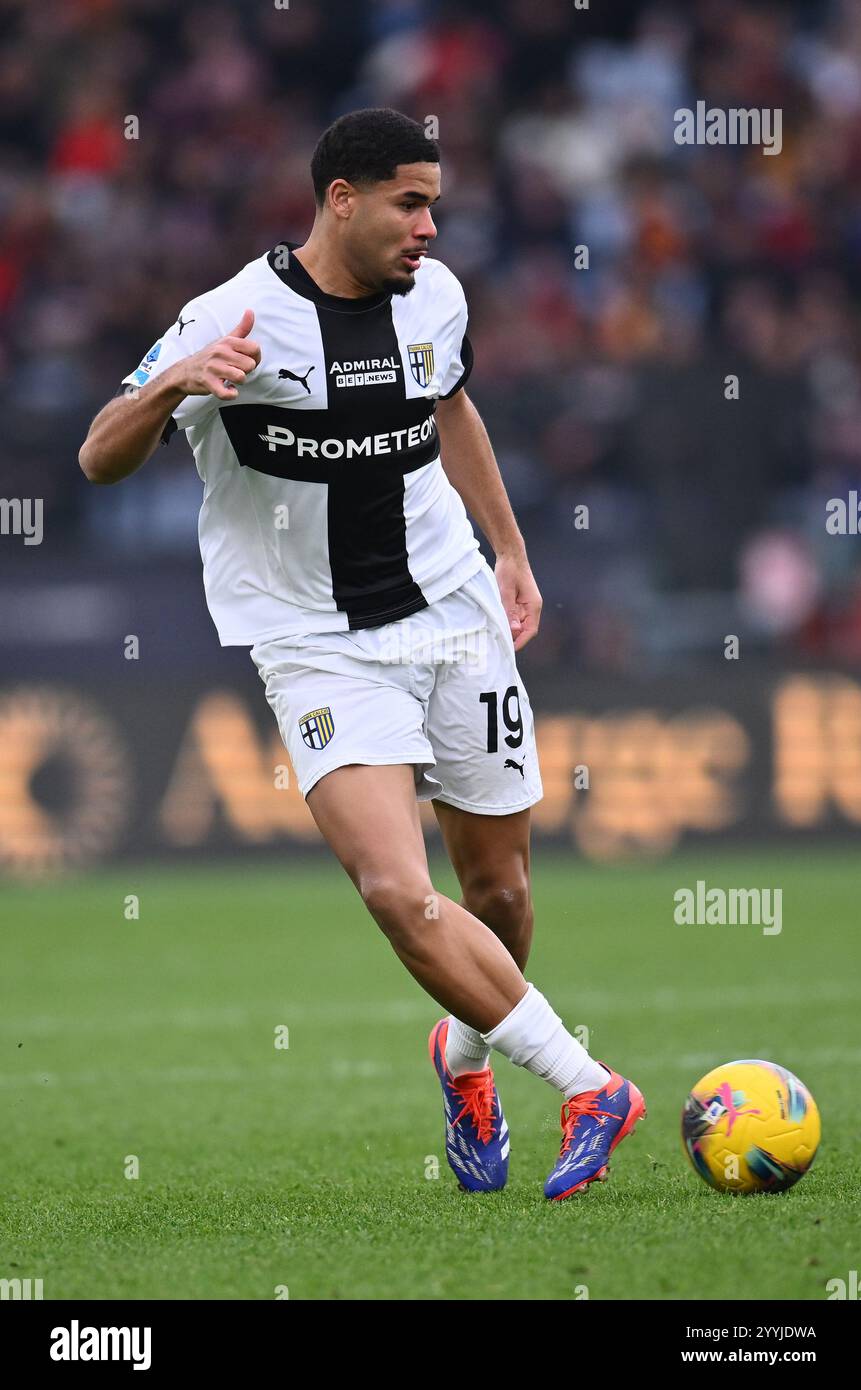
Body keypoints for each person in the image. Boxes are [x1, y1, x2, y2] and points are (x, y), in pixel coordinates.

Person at [78, 107, 644, 1199]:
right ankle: (589, 1085)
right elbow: (100, 454)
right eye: (409, 202)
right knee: (394, 886)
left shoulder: (433, 297)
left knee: (503, 895)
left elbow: (451, 408)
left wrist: (511, 550)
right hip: (316, 643)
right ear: (342, 200)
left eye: (433, 201)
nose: (429, 225)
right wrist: (171, 384)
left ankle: (465, 1061)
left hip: (451, 612)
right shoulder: (228, 313)